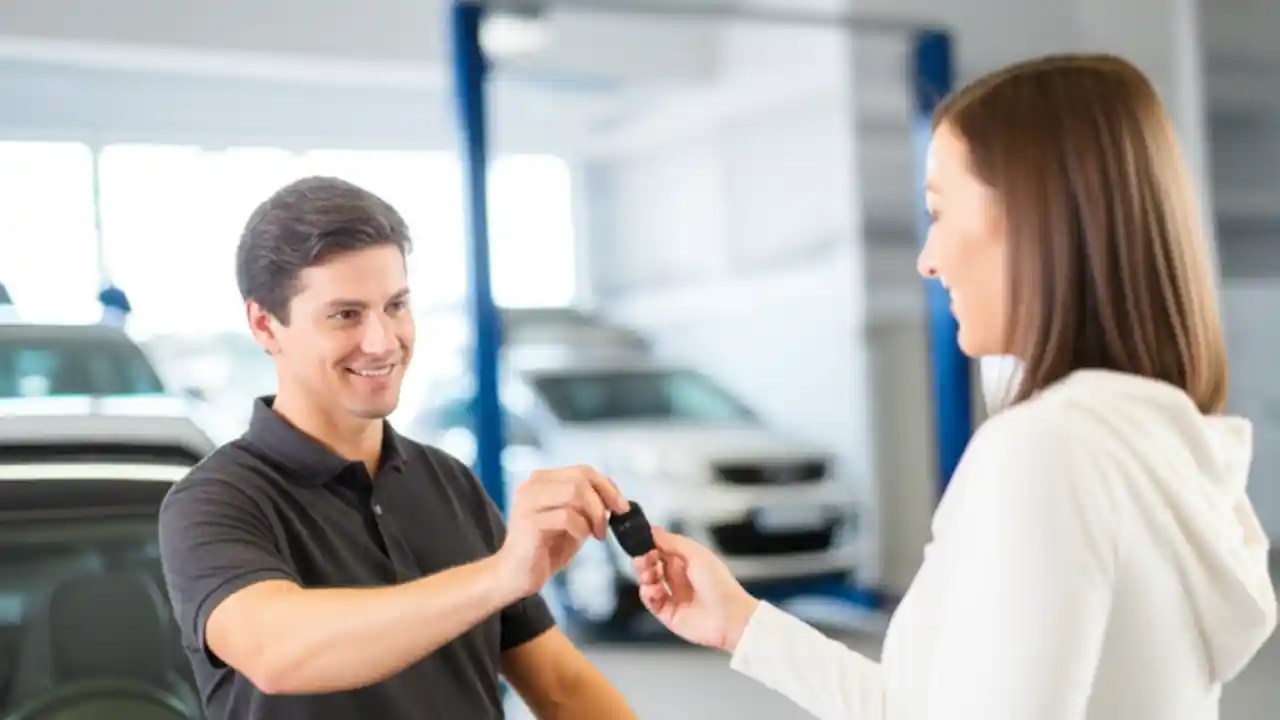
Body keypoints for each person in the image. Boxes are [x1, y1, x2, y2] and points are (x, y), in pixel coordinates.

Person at [633, 54, 1278, 719]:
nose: (927, 257)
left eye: (939, 212)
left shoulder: (1044, 450)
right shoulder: (1164, 448)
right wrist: (744, 625)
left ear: (1031, 215)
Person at [159, 176, 638, 719]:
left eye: (395, 305)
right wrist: (500, 576)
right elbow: (276, 651)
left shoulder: (448, 481)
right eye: (346, 314)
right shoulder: (215, 501)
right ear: (266, 325)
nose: (383, 341)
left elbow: (560, 685)